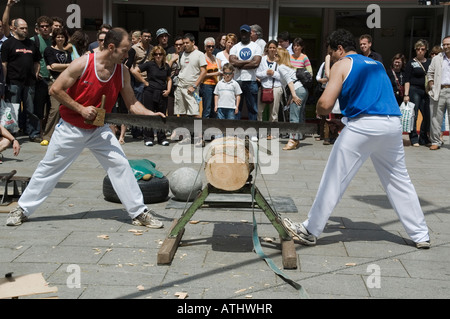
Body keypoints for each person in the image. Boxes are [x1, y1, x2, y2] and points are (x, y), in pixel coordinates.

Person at [283, 28, 430, 249]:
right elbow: (373, 98)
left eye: (331, 52)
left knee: (334, 176)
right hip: (391, 124)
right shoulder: (376, 64)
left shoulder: (342, 63)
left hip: (364, 125)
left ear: (340, 49)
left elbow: (325, 104)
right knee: (399, 180)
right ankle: (421, 234)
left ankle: (310, 229)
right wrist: (344, 120)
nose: (331, 57)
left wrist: (322, 112)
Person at [6, 27, 165, 229]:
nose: (127, 55)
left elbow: (132, 103)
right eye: (124, 51)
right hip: (71, 127)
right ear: (111, 47)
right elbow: (55, 89)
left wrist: (152, 115)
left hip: (99, 129)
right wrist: (80, 109)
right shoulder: (84, 63)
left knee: (120, 165)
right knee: (49, 168)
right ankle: (23, 209)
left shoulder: (122, 71)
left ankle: (139, 212)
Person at [1, 18, 41, 142]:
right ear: (14, 29)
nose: (25, 30)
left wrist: (35, 74)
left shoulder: (31, 44)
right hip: (13, 82)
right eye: (22, 28)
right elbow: (4, 64)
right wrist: (4, 82)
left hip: (29, 83)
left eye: (26, 28)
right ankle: (11, 135)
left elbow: (37, 62)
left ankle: (33, 134)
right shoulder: (8, 44)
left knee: (31, 110)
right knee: (12, 109)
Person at [131, 45, 172, 147]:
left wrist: (168, 90)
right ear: (153, 55)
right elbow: (135, 71)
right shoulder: (149, 64)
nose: (158, 56)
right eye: (156, 54)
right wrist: (144, 82)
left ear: (163, 55)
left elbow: (169, 79)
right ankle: (148, 138)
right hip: (150, 92)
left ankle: (162, 138)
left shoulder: (166, 66)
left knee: (162, 115)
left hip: (162, 93)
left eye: (160, 54)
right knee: (149, 114)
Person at [174, 33, 206, 146]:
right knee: (181, 113)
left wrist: (195, 86)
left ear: (193, 42)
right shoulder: (181, 54)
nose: (185, 45)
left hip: (191, 88)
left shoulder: (199, 54)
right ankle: (186, 137)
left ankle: (199, 138)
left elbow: (203, 72)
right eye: (184, 43)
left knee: (195, 113)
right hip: (180, 87)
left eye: (187, 43)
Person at [41, 27, 72, 146]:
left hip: (66, 84)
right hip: (54, 82)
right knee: (54, 109)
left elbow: (58, 67)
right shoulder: (49, 50)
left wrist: (59, 66)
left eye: (62, 37)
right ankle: (47, 136)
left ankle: (64, 135)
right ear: (54, 38)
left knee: (66, 109)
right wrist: (68, 65)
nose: (60, 39)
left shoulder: (67, 53)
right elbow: (52, 66)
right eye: (58, 37)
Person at [276, 47, 308, 150]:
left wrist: (294, 96)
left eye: (277, 55)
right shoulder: (287, 67)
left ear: (281, 57)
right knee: (297, 115)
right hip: (301, 90)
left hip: (297, 90)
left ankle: (292, 140)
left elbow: (290, 82)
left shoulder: (281, 67)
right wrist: (291, 98)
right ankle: (296, 138)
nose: (274, 56)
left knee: (294, 116)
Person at [229, 24, 262, 123]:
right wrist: (248, 61)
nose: (244, 35)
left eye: (246, 32)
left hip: (251, 81)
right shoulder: (235, 47)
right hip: (237, 80)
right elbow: (232, 62)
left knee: (252, 108)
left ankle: (252, 132)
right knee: (236, 108)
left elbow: (256, 63)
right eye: (242, 32)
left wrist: (239, 64)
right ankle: (237, 131)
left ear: (249, 33)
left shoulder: (256, 46)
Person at [404, 39, 431, 147]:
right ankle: (414, 138)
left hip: (426, 91)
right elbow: (407, 79)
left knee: (427, 115)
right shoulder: (411, 62)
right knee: (414, 115)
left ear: (426, 50)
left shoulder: (430, 62)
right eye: (418, 49)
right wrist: (406, 94)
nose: (420, 51)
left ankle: (424, 137)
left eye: (422, 49)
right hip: (414, 89)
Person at [32, 16, 53, 145]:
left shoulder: (55, 41)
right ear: (38, 28)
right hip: (39, 79)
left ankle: (47, 132)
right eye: (42, 26)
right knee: (39, 108)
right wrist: (34, 72)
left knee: (52, 108)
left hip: (53, 79)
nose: (44, 28)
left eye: (46, 26)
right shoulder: (34, 41)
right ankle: (38, 132)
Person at [427, 35, 450, 150]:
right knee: (436, 117)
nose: (446, 46)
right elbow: (430, 73)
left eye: (448, 44)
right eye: (444, 44)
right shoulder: (437, 58)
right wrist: (432, 86)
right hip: (439, 90)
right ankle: (435, 141)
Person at [256, 40, 282, 125]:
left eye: (274, 47)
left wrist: (273, 73)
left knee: (274, 112)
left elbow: (283, 76)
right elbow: (257, 74)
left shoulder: (279, 61)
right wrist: (266, 73)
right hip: (263, 87)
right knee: (260, 111)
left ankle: (272, 133)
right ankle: (259, 131)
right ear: (267, 48)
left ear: (276, 49)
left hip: (276, 87)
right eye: (270, 47)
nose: (272, 49)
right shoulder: (262, 59)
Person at [201, 37, 219, 119]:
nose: (211, 48)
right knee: (207, 109)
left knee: (214, 109)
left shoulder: (215, 58)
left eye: (212, 46)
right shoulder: (202, 58)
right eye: (209, 46)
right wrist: (215, 73)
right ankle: (204, 129)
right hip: (206, 85)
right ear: (205, 47)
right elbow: (201, 74)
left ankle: (212, 130)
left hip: (215, 85)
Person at [166, 35, 184, 117]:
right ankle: (171, 129)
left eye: (180, 44)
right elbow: (165, 69)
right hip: (171, 85)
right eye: (176, 45)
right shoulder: (169, 56)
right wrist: (172, 60)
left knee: (182, 110)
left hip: (183, 85)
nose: (178, 46)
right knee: (170, 109)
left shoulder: (187, 56)